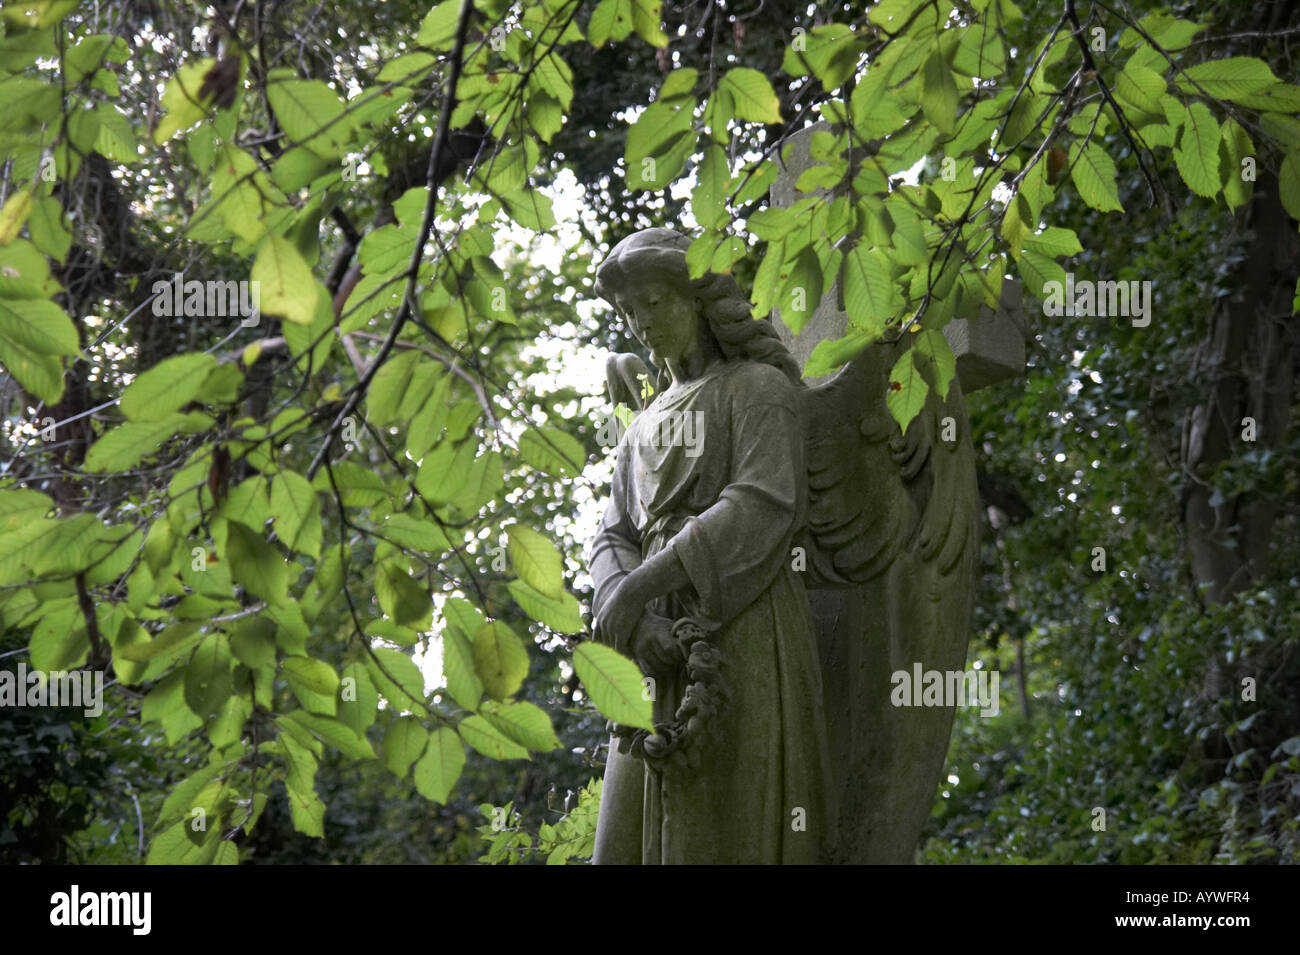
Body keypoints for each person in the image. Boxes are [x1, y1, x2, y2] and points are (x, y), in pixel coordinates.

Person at [586, 228, 832, 864]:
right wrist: (630, 615)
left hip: (743, 632)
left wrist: (645, 585)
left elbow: (760, 503)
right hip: (649, 657)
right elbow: (612, 533)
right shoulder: (641, 427)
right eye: (628, 311)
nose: (640, 322)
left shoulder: (759, 390)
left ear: (697, 299)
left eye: (654, 302)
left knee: (728, 830)